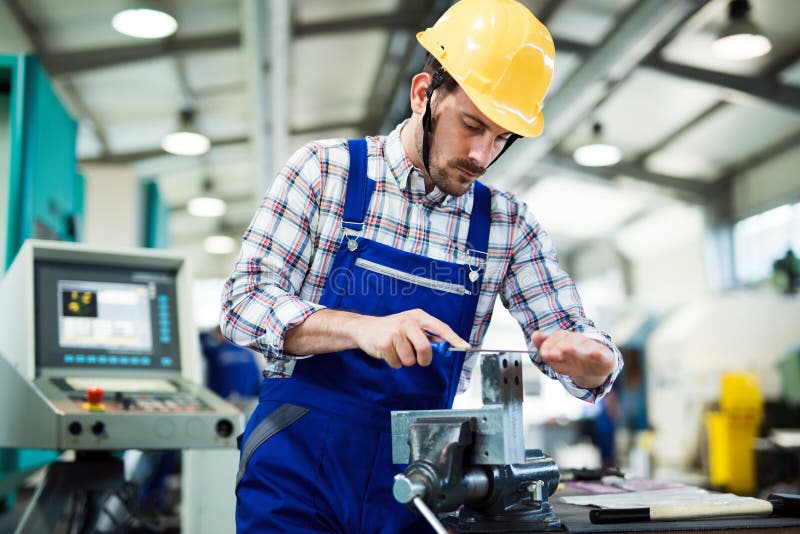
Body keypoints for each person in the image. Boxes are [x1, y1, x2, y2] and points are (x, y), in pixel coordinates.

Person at [221, 1, 623, 532]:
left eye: (501, 137)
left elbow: (574, 337)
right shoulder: (325, 173)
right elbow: (242, 302)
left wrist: (593, 363)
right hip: (296, 473)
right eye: (472, 124)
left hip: (418, 487)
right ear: (422, 95)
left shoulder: (507, 224)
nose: (481, 155)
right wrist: (360, 328)